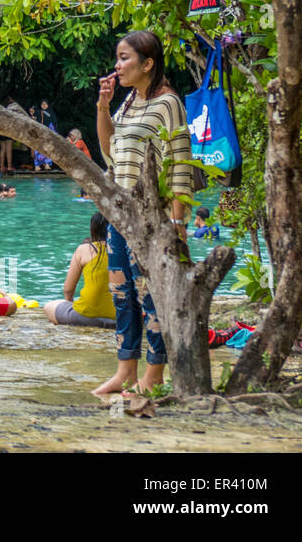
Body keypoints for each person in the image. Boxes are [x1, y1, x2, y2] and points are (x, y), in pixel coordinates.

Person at [92, 30, 193, 398]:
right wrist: (104, 107)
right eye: (117, 59)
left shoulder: (168, 103)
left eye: (124, 58)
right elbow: (109, 150)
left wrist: (177, 223)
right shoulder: (129, 102)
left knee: (150, 294)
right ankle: (125, 372)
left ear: (147, 63)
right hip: (122, 215)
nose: (117, 66)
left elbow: (181, 165)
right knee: (122, 293)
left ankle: (154, 375)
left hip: (155, 218)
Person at [44, 213, 117, 328]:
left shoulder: (85, 249)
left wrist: (69, 302)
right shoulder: (129, 250)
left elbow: (68, 290)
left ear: (94, 229)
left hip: (85, 316)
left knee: (49, 306)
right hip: (122, 318)